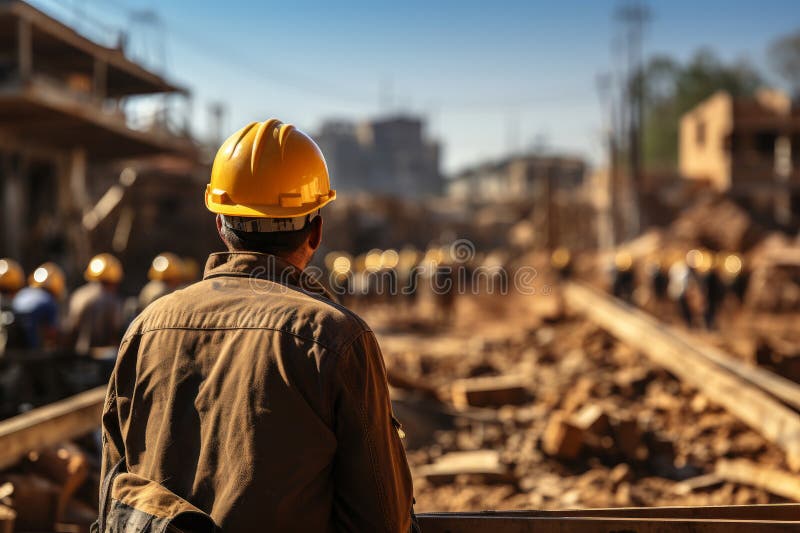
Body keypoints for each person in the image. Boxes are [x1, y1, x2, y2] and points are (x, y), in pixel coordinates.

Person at [97, 119, 417, 532]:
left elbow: (113, 500)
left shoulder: (145, 329)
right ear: (316, 230)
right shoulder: (337, 339)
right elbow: (383, 520)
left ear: (220, 224)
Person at [67, 253, 124, 355]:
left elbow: (71, 327)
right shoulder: (112, 300)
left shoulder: (78, 295)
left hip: (78, 354)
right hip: (102, 356)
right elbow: (116, 330)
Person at [12, 262, 65, 350]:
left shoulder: (22, 293)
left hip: (12, 346)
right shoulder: (49, 301)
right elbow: (52, 332)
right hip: (32, 350)